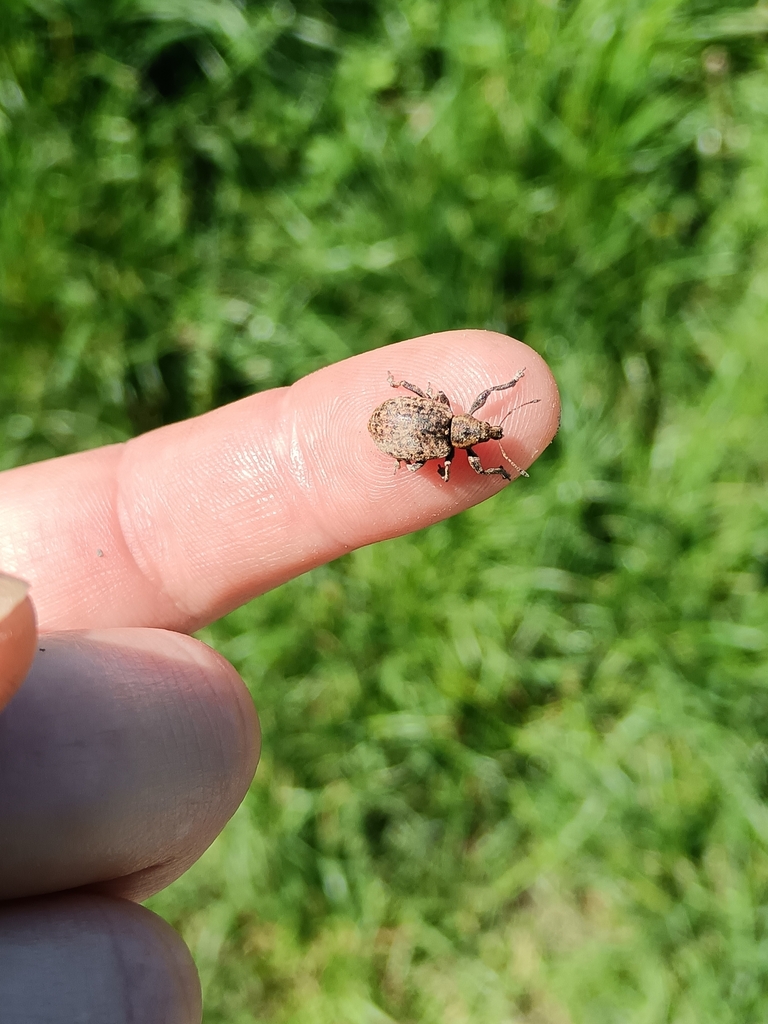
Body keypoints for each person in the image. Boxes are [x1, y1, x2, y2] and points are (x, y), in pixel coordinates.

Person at [0, 330, 559, 1022]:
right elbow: (439, 455)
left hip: (405, 423)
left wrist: (477, 444)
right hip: (402, 427)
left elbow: (447, 441)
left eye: (484, 433)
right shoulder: (448, 450)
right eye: (483, 432)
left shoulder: (453, 442)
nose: (483, 432)